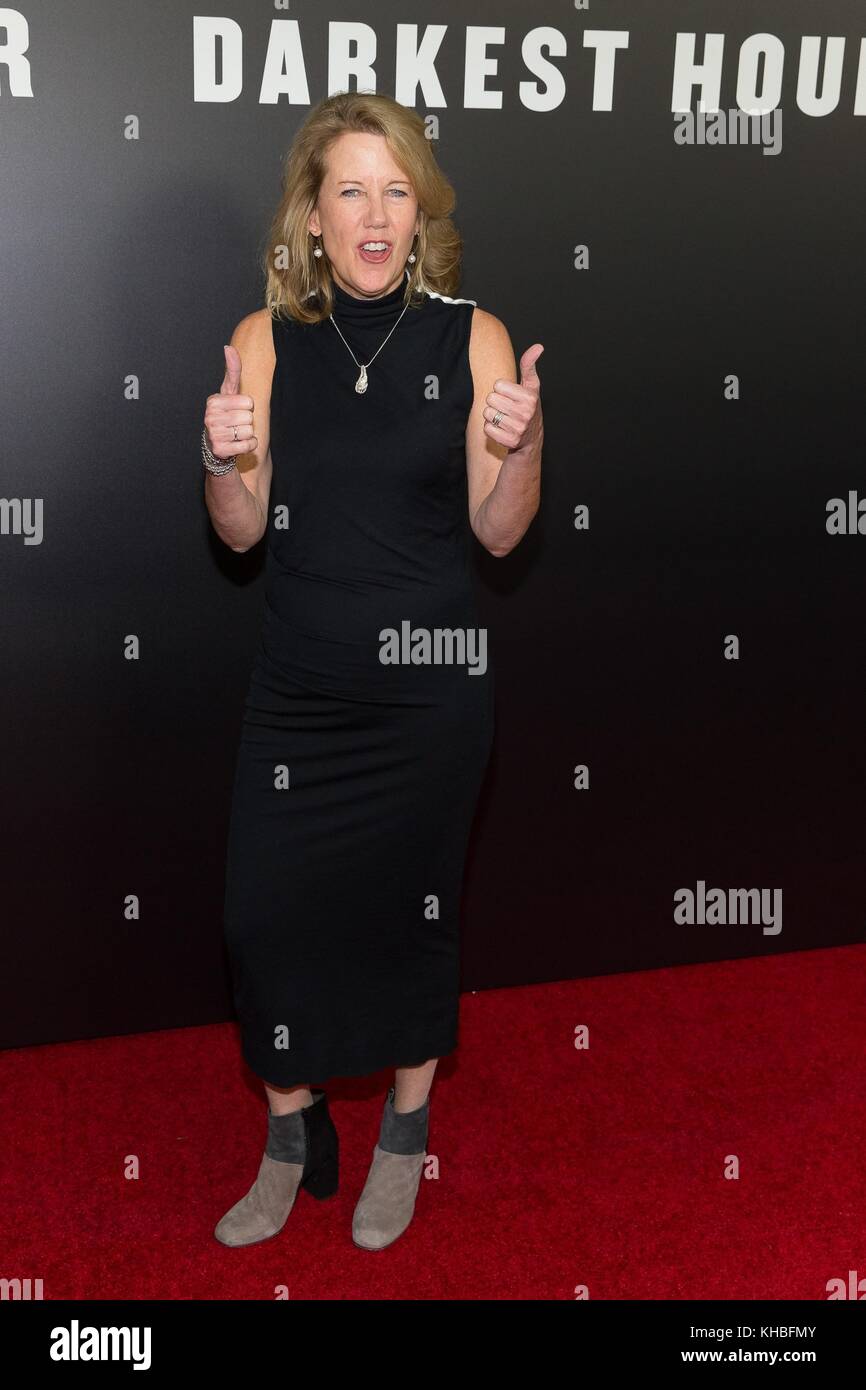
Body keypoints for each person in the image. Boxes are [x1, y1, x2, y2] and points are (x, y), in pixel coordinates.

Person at [203, 91, 544, 1252]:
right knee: (263, 917)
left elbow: (501, 532)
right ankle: (292, 1133)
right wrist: (220, 458)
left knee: (412, 917)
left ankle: (405, 1131)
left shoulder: (471, 335)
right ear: (311, 212)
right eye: (351, 187)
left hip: (426, 694)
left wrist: (525, 444)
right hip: (299, 688)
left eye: (396, 189)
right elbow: (238, 531)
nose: (376, 212)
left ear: (420, 211)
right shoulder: (261, 342)